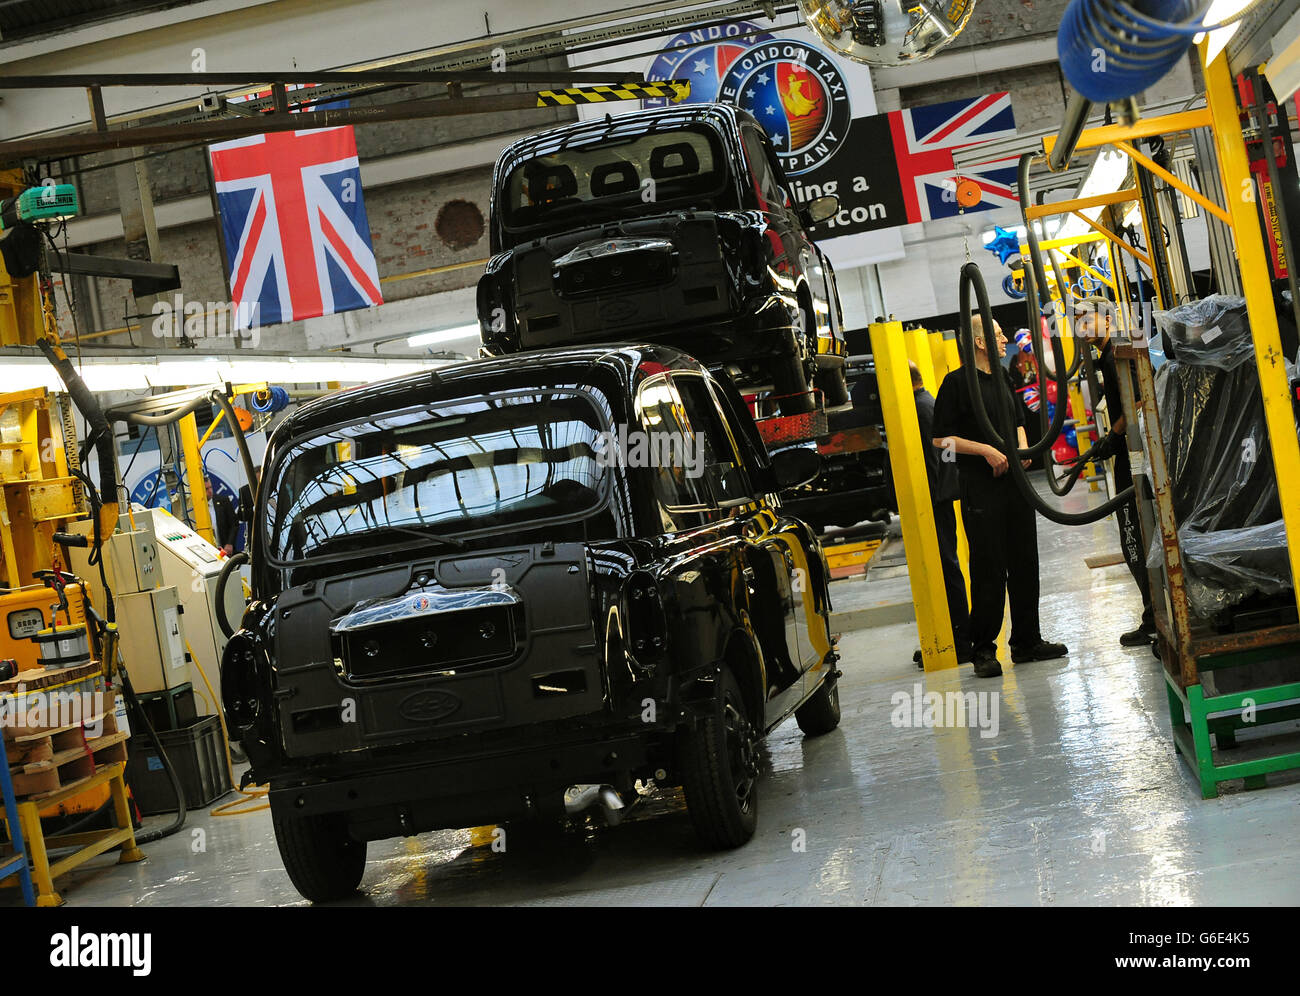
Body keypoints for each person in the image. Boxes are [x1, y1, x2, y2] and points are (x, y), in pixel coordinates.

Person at [930, 313, 1069, 678]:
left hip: (1016, 484)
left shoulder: (1005, 376)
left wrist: (1021, 451)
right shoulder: (957, 384)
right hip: (980, 488)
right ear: (979, 342)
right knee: (989, 568)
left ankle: (1027, 641)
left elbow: (1020, 421)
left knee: (1025, 562)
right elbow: (940, 442)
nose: (1005, 338)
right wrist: (986, 452)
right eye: (997, 333)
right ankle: (983, 650)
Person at [1072, 299, 1154, 646]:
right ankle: (1154, 612)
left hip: (1136, 455)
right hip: (1130, 452)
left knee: (1135, 535)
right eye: (1076, 322)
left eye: (1086, 319)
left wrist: (1115, 434)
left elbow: (1138, 399)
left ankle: (1155, 615)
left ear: (1106, 319)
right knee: (1134, 533)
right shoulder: (1110, 353)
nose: (1081, 328)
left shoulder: (1114, 354)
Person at [909, 360, 972, 667]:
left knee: (946, 564)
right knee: (942, 565)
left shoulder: (922, 408)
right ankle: (947, 635)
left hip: (935, 499)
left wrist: (934, 498)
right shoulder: (925, 403)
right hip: (937, 496)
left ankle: (961, 641)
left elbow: (939, 457)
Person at [205, 475, 240, 556]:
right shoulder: (195, 508)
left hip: (225, 551)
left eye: (210, 487)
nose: (210, 491)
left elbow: (234, 524)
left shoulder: (223, 501)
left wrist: (229, 543)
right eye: (206, 489)